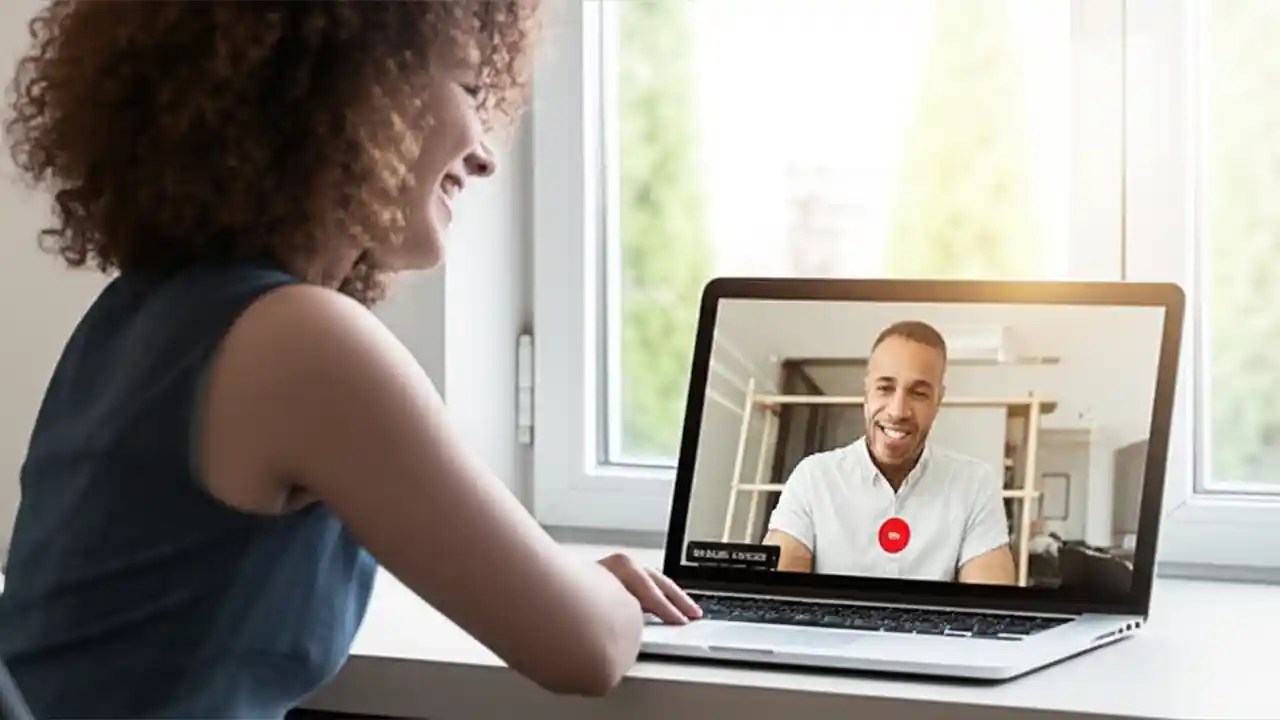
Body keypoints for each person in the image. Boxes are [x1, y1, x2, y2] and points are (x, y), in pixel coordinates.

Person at [0, 3, 700, 718]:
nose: (485, 153)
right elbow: (581, 648)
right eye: (465, 88)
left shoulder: (131, 319)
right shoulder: (302, 341)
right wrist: (608, 593)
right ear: (357, 90)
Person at [762, 320, 1016, 584]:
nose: (897, 411)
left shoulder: (975, 484)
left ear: (938, 400)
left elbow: (986, 605)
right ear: (866, 392)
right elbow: (777, 590)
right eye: (884, 388)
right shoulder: (814, 477)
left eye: (918, 393)